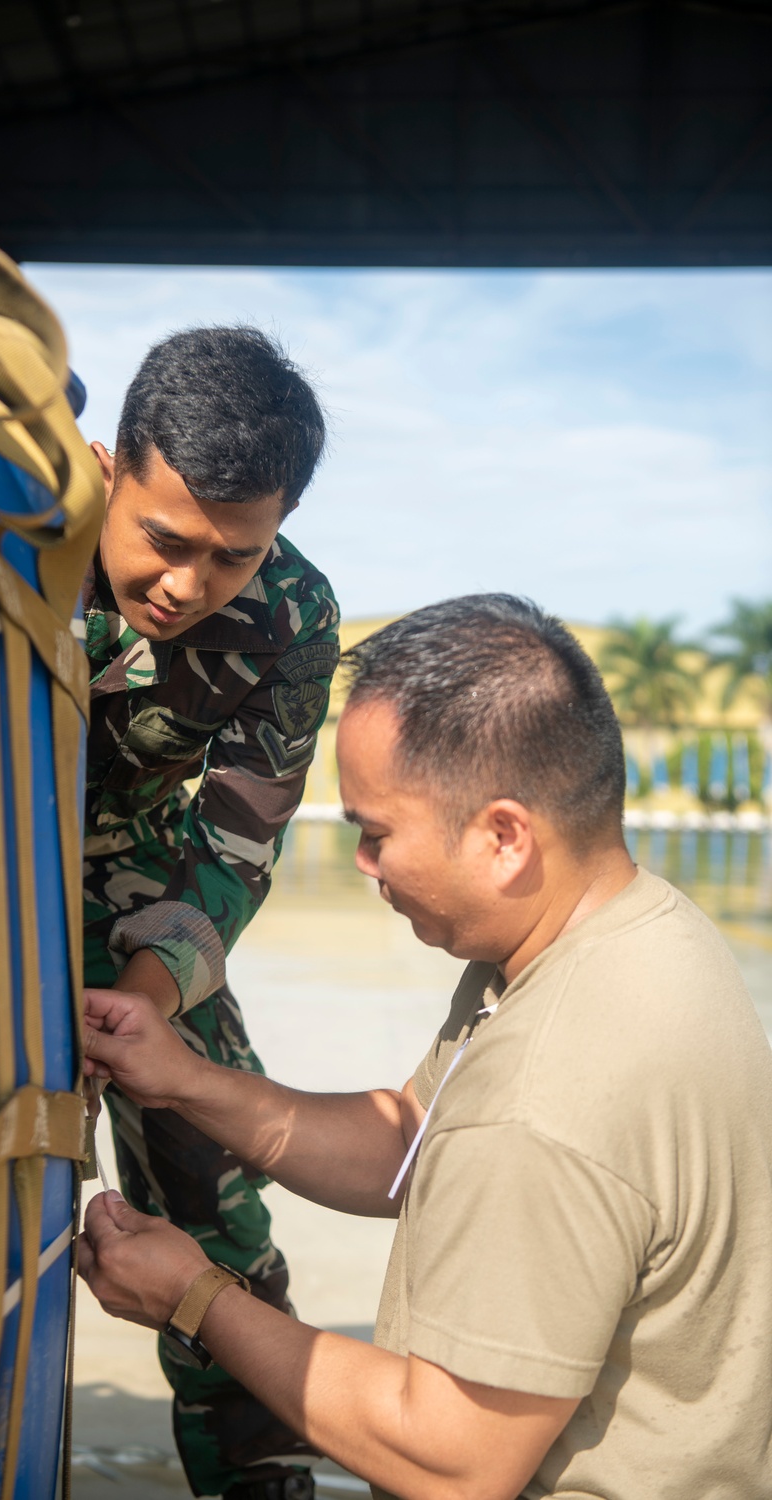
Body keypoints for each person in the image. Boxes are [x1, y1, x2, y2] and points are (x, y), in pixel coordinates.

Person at [78, 594, 772, 1500]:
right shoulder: (631, 933)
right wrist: (187, 1081)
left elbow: (454, 1460)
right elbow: (416, 1140)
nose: (362, 864)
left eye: (376, 834)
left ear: (503, 836)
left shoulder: (542, 1097)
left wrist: (195, 1299)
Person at [81, 326, 339, 1500]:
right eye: (164, 540)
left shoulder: (289, 616)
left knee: (221, 1221)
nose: (187, 586)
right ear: (108, 467)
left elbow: (234, 843)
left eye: (232, 556)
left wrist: (143, 1013)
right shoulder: (8, 530)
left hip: (138, 900)